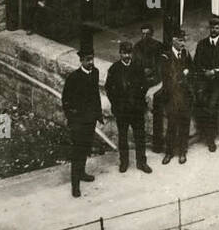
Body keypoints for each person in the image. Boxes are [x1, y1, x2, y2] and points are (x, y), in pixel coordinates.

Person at [105, 39, 152, 175]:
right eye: (124, 53)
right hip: (122, 111)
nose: (127, 56)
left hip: (136, 110)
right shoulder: (114, 69)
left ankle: (142, 162)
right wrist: (116, 104)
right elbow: (109, 89)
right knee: (123, 137)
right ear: (120, 54)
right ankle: (124, 162)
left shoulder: (138, 66)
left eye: (129, 53)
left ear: (132, 54)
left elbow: (144, 85)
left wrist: (140, 101)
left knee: (139, 136)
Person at [61, 45, 102, 197]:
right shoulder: (73, 78)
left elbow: (95, 95)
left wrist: (98, 115)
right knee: (77, 153)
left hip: (90, 120)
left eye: (92, 59)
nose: (90, 62)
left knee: (85, 148)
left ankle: (83, 173)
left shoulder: (95, 73)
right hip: (78, 122)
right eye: (87, 60)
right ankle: (75, 185)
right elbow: (66, 101)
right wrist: (72, 120)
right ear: (81, 60)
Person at [193, 15, 219, 153]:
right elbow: (196, 62)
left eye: (217, 28)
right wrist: (205, 72)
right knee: (200, 101)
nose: (214, 30)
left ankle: (211, 139)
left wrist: (215, 72)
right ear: (209, 29)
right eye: (212, 28)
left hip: (217, 82)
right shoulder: (202, 44)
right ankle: (203, 132)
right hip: (204, 79)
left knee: (212, 105)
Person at [160, 27, 194, 164]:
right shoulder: (166, 56)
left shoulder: (185, 54)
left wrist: (187, 73)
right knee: (172, 125)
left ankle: (182, 151)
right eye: (180, 40)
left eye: (184, 40)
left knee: (184, 124)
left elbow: (192, 70)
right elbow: (168, 76)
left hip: (185, 95)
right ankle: (169, 152)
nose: (183, 43)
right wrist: (184, 73)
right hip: (172, 95)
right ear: (173, 40)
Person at [133, 22, 165, 153]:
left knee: (158, 109)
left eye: (148, 34)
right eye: (143, 34)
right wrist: (142, 72)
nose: (145, 36)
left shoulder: (158, 46)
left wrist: (152, 73)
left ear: (152, 34)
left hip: (156, 81)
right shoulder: (137, 47)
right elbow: (135, 65)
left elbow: (161, 65)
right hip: (142, 82)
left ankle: (157, 144)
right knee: (137, 108)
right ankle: (140, 142)